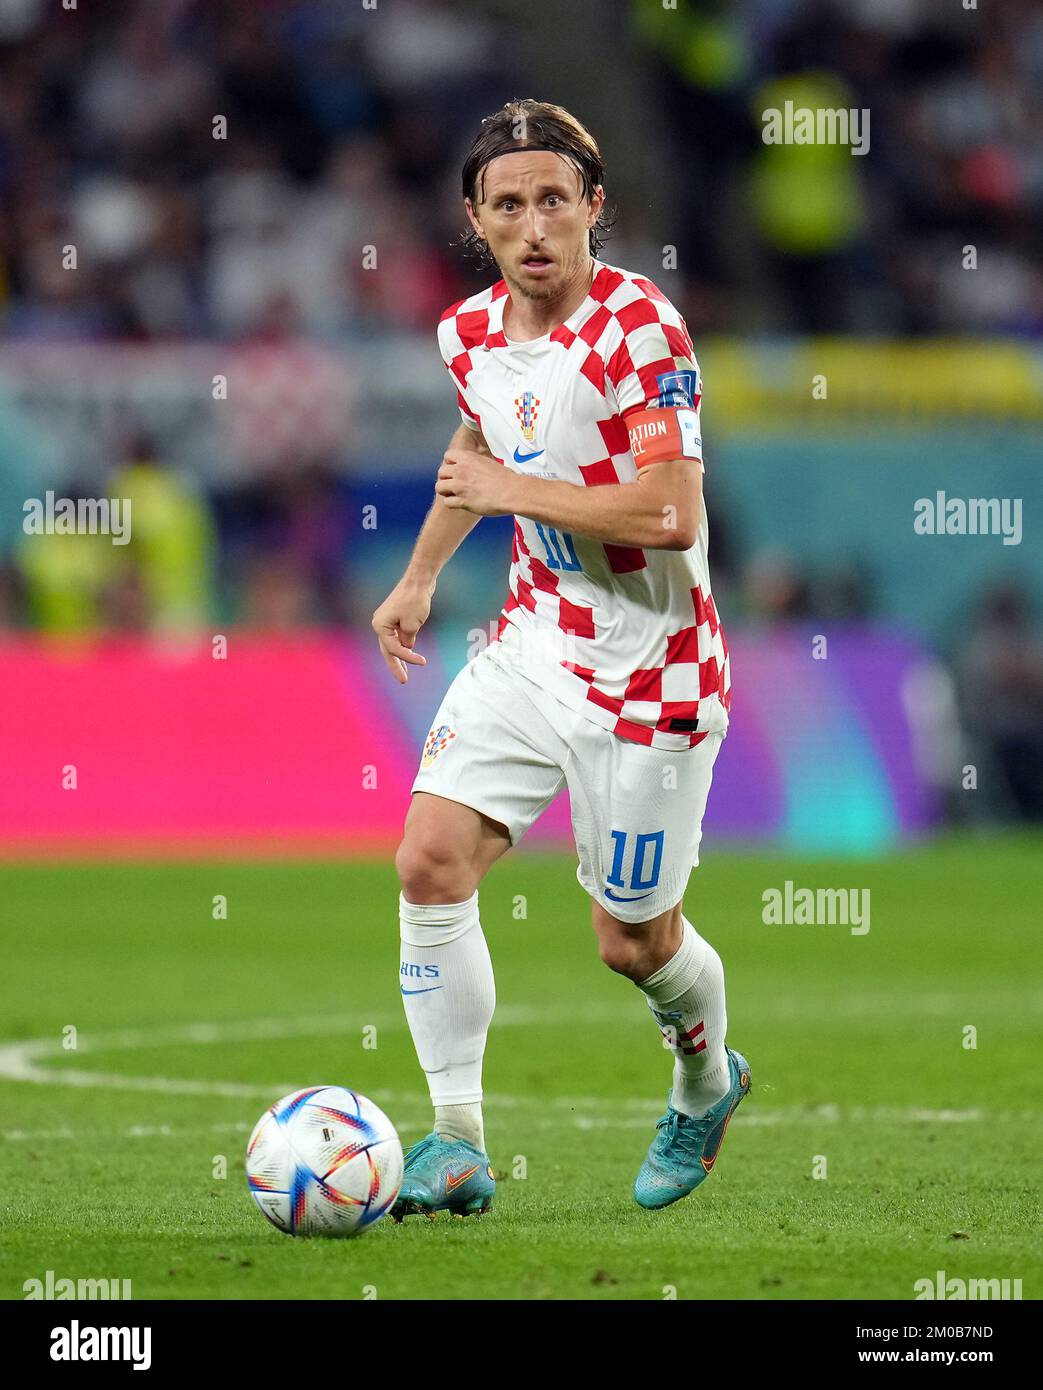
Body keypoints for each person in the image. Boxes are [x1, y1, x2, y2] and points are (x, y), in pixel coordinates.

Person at [372, 99, 750, 1220]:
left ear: (593, 206)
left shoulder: (641, 328)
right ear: (473, 221)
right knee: (427, 860)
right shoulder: (467, 333)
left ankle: (703, 1078)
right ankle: (455, 1142)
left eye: (552, 200)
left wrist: (505, 496)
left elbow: (668, 511)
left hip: (654, 671)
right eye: (507, 206)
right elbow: (479, 441)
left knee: (629, 942)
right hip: (534, 642)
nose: (533, 226)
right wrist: (423, 573)